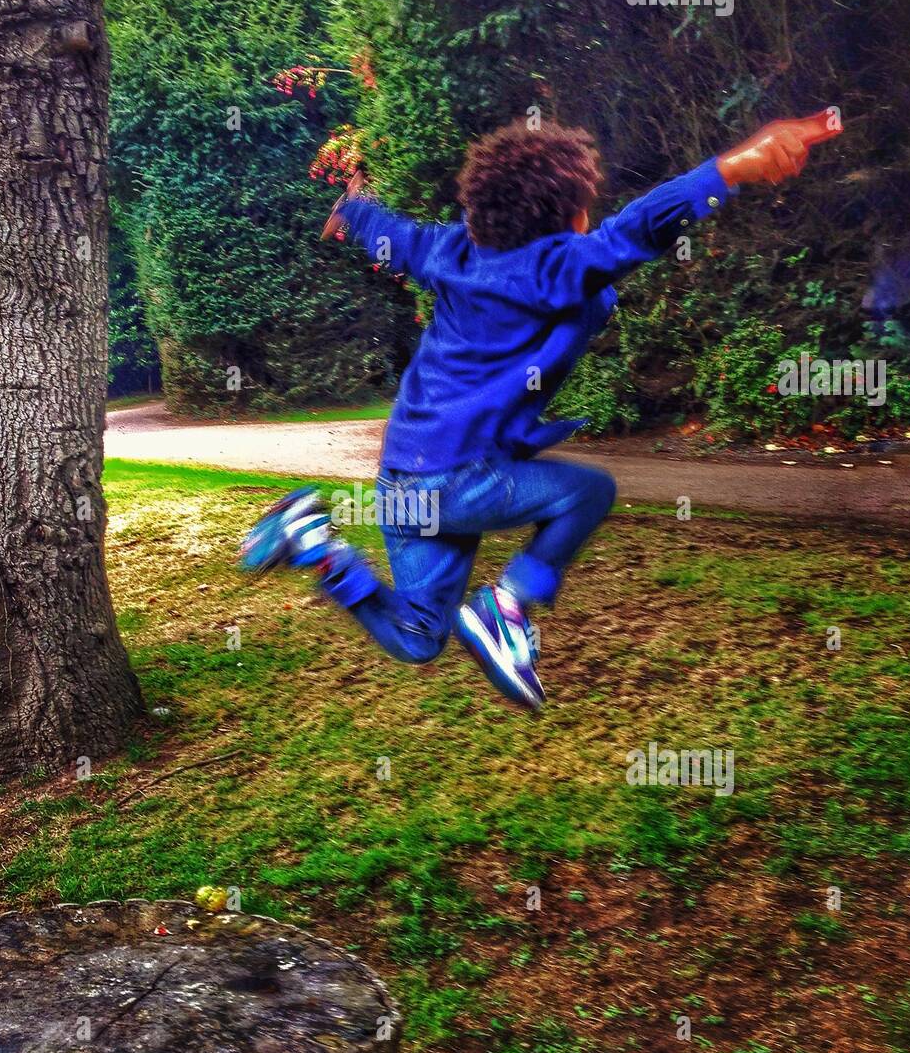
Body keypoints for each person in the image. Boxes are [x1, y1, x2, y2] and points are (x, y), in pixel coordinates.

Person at [239, 110, 842, 708]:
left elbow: (394, 236)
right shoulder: (556, 267)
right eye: (586, 206)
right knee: (586, 492)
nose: (592, 218)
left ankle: (315, 545)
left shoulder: (449, 252)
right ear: (566, 221)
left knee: (420, 638)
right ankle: (506, 607)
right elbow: (640, 228)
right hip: (457, 478)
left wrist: (353, 211)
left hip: (403, 484)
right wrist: (735, 166)